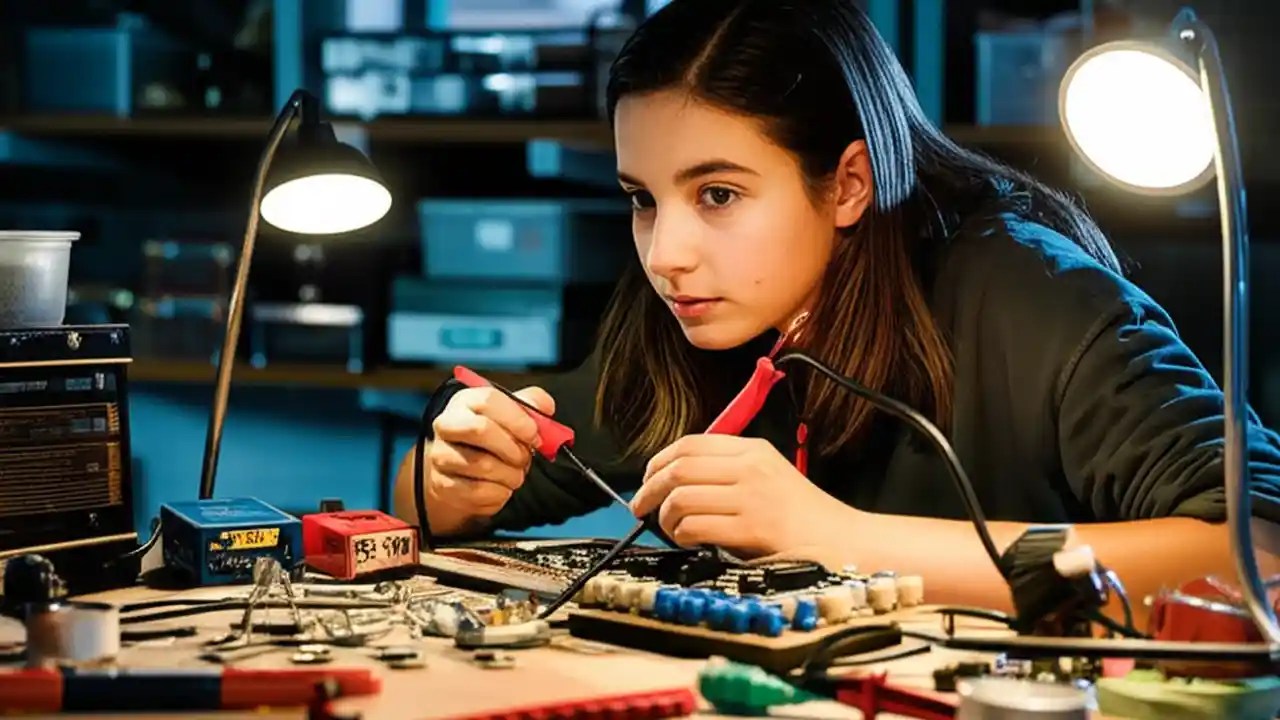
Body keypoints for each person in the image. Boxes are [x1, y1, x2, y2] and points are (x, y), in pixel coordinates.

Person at [393, 0, 1280, 623]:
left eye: (718, 194)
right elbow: (418, 504)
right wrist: (448, 480)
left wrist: (838, 537)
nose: (665, 254)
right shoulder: (696, 311)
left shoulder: (1032, 295)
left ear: (848, 182)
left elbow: (1259, 555)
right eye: (642, 198)